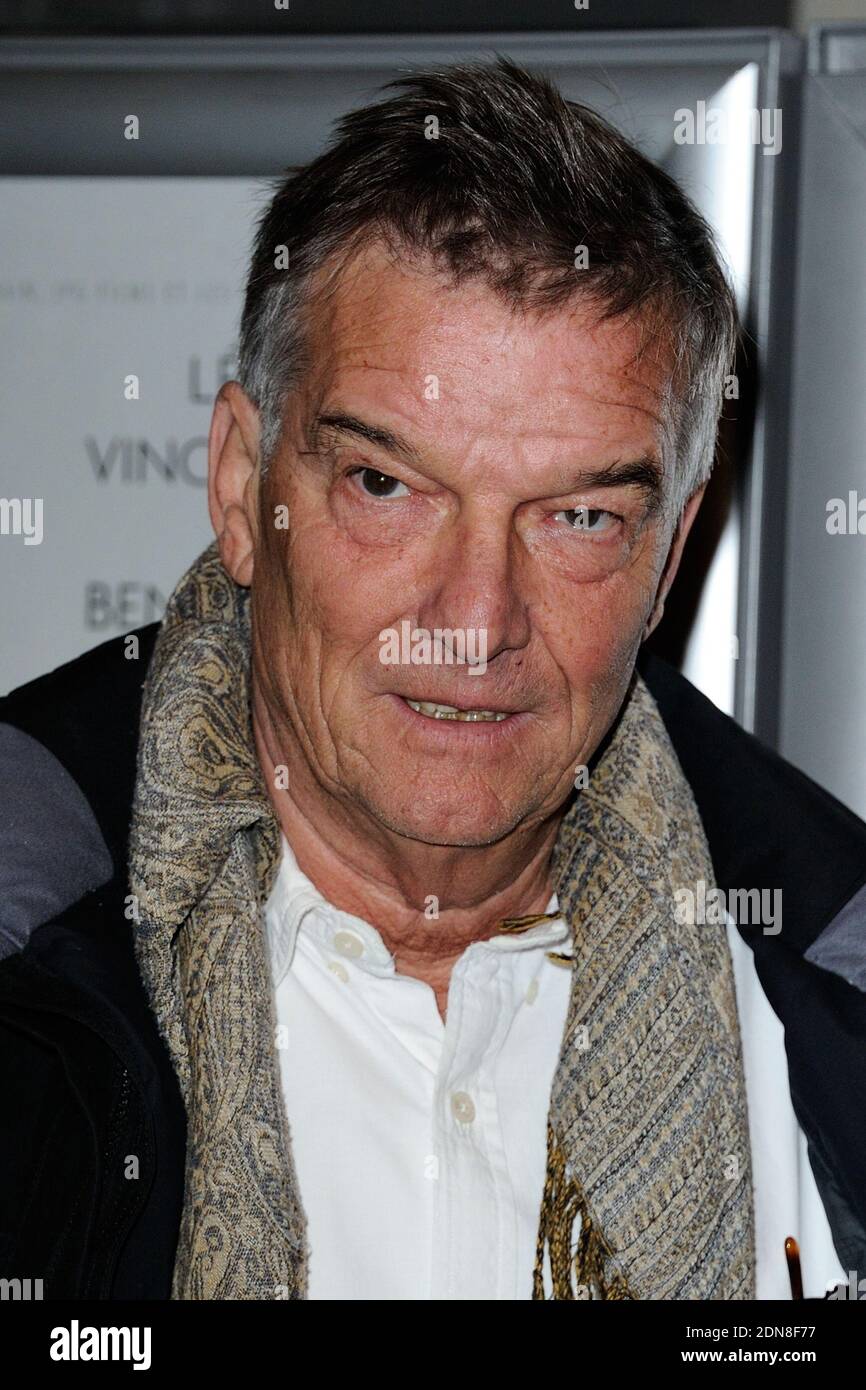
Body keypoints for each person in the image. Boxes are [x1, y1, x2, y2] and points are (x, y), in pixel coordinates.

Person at [1, 58, 866, 1302]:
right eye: (386, 488)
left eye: (574, 517)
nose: (474, 622)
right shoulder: (31, 983)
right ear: (245, 488)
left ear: (667, 557)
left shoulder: (819, 1021)